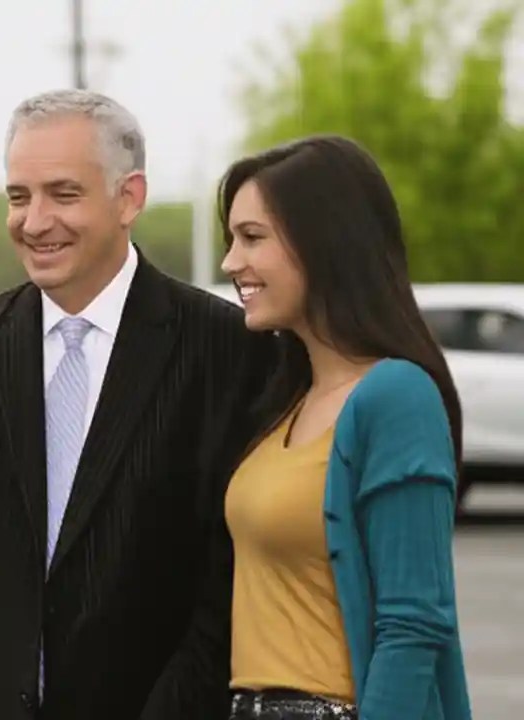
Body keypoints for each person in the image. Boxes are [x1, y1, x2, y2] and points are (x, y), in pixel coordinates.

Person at [0, 88, 272, 720]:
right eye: (19, 197)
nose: (34, 220)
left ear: (129, 197)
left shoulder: (227, 349)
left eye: (63, 194)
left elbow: (234, 579)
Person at [217, 135, 472, 720]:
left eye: (252, 237)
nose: (231, 262)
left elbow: (413, 623)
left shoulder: (397, 396)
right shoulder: (286, 399)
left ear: (323, 244)